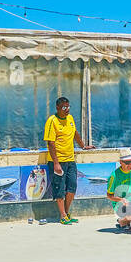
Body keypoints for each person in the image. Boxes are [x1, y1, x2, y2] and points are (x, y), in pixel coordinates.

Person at [44, 96, 90, 225]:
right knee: (59, 188)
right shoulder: (52, 121)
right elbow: (50, 143)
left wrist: (83, 146)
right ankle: (63, 215)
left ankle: (67, 213)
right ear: (57, 108)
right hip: (58, 161)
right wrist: (56, 163)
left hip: (70, 159)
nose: (67, 110)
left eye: (68, 107)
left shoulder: (70, 119)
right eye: (64, 107)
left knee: (72, 187)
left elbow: (75, 133)